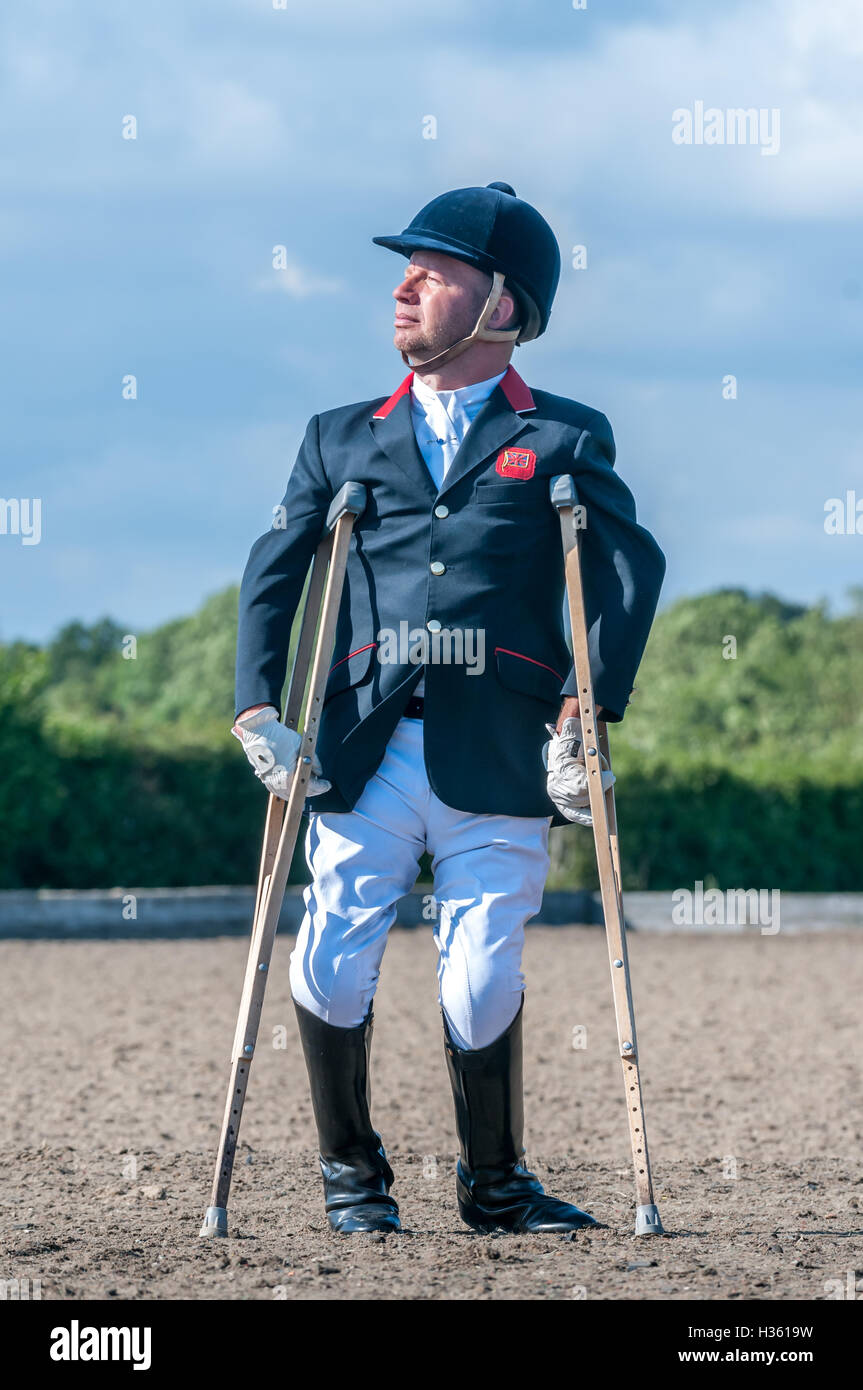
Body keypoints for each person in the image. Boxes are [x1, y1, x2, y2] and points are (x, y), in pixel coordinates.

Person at [232, 182, 666, 1236]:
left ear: (502, 306)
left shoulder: (562, 436)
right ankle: (350, 1175)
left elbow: (624, 568)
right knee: (329, 962)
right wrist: (255, 707)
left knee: (478, 981)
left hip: (500, 752)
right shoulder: (338, 438)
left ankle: (495, 1184)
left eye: (434, 274)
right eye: (405, 269)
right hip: (361, 745)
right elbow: (275, 572)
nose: (403, 287)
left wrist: (585, 705)